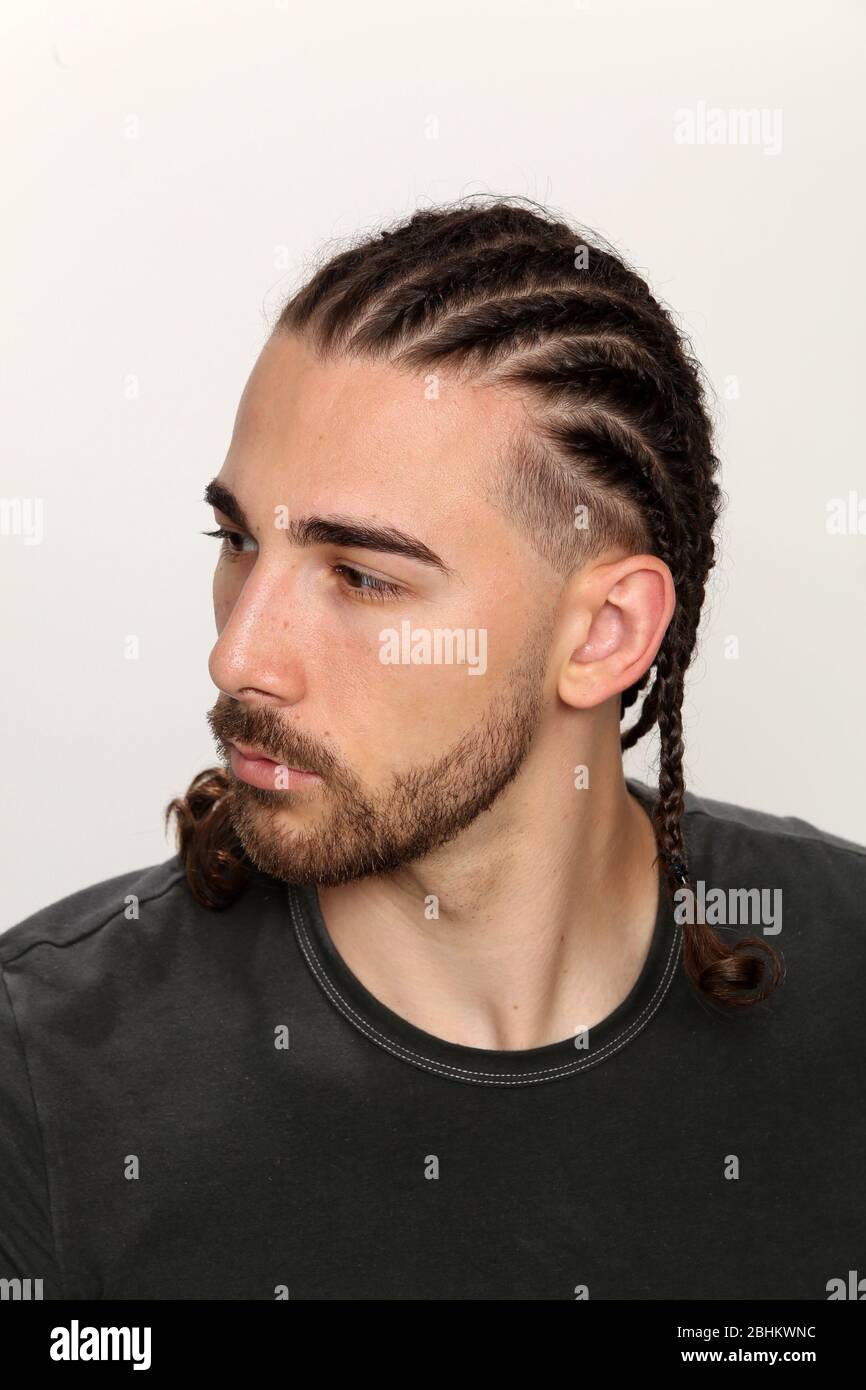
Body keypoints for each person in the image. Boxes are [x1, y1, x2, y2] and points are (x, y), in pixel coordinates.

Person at [2, 197, 864, 1302]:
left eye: (362, 577)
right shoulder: (46, 1073)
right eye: (237, 540)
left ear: (603, 634)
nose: (236, 656)